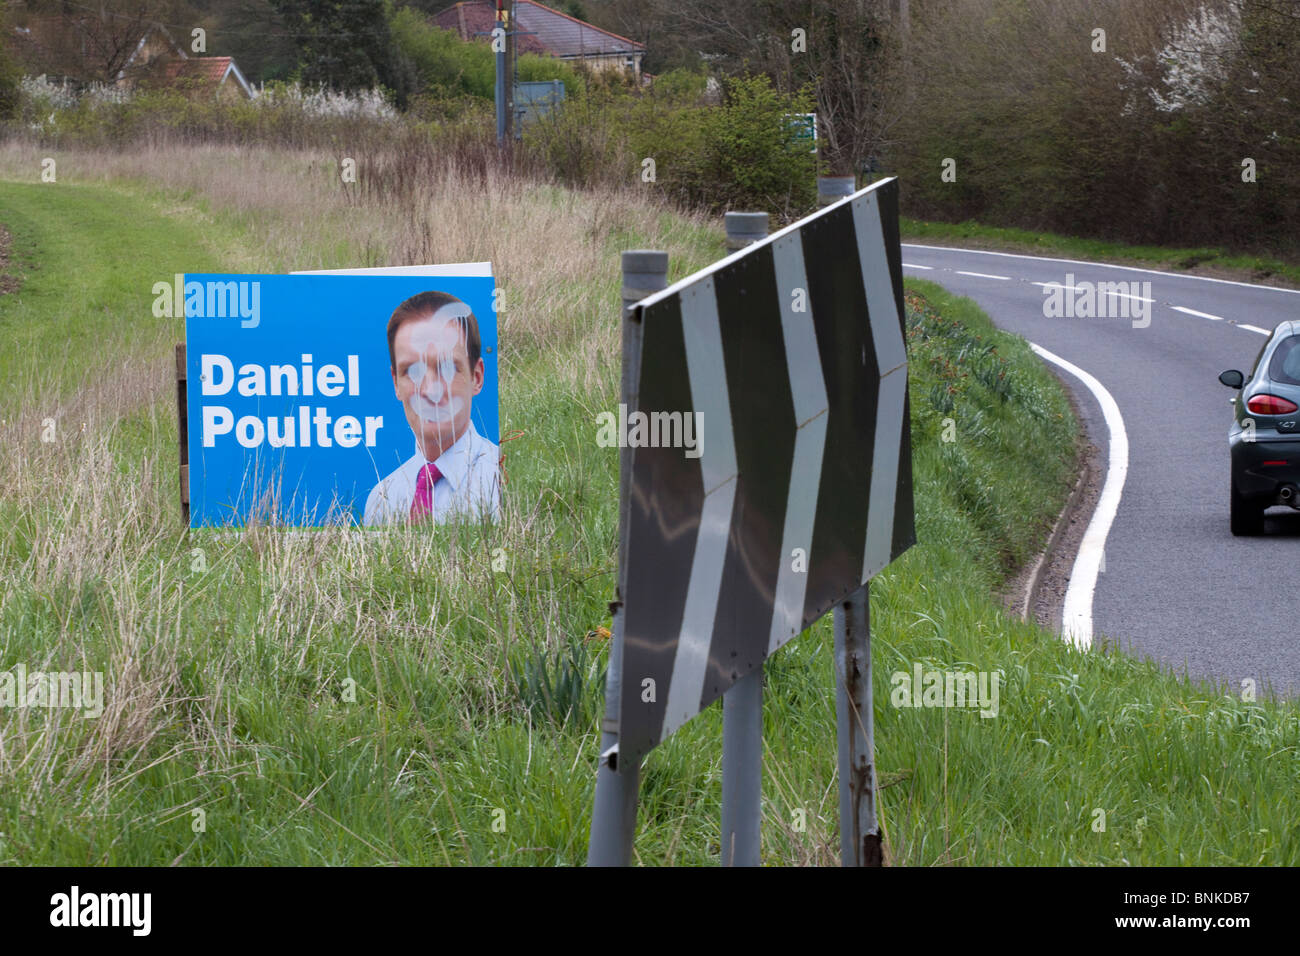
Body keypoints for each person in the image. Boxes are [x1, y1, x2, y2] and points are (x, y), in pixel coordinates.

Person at [363, 291, 500, 525]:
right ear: (396, 383)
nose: (430, 390)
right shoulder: (382, 500)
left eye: (447, 368)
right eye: (412, 371)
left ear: (476, 377)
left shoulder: (501, 483)